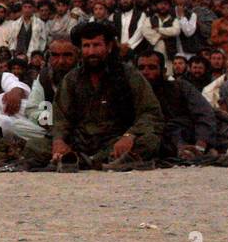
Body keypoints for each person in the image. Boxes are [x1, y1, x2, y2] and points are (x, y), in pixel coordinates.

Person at [33, 22, 163, 170]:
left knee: (150, 141)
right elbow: (61, 117)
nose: (91, 52)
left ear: (108, 47)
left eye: (96, 45)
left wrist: (130, 136)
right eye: (86, 46)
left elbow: (150, 113)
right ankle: (90, 160)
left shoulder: (130, 76)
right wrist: (59, 141)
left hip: (116, 140)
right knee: (34, 146)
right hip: (79, 141)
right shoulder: (71, 79)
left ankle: (82, 161)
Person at [137, 51, 228, 160]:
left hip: (191, 133)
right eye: (141, 68)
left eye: (152, 68)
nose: (145, 72)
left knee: (222, 121)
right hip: (160, 137)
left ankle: (200, 151)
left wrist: (201, 145)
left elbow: (204, 113)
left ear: (163, 71)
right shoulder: (133, 94)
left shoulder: (180, 87)